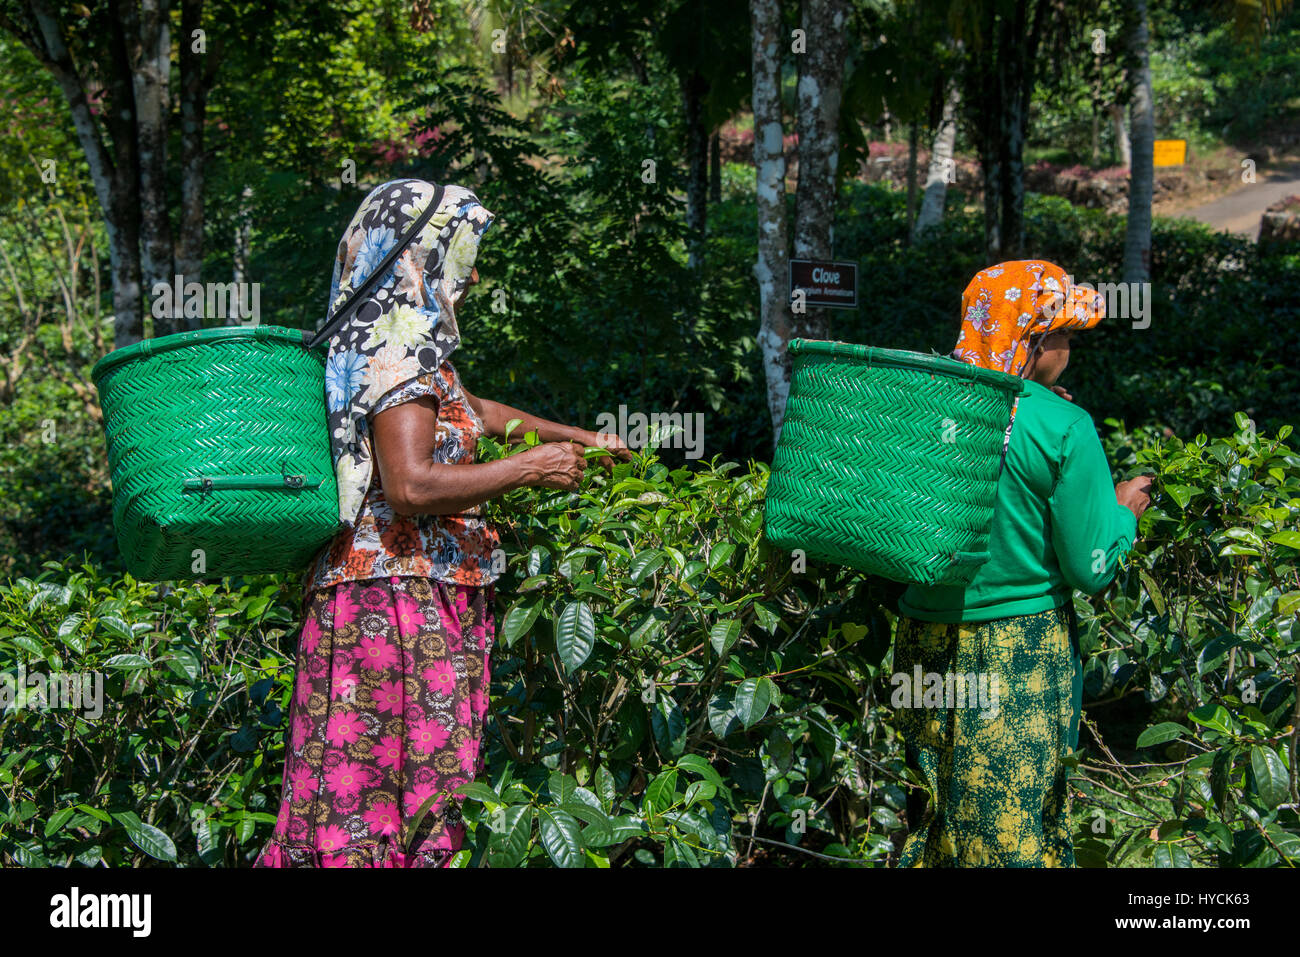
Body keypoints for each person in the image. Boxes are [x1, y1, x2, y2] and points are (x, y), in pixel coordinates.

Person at [255, 178, 630, 867]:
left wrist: (580, 439)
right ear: (416, 256)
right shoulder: (397, 344)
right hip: (391, 610)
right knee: (384, 803)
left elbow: (478, 411)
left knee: (391, 799)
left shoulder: (400, 341)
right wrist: (531, 468)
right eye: (462, 255)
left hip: (403, 598)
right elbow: (410, 484)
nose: (473, 273)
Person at [892, 259, 1152, 867]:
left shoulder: (920, 406)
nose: (1068, 348)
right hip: (1019, 651)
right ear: (1033, 341)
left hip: (922, 639)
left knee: (929, 815)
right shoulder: (1063, 425)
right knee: (1010, 831)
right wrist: (1124, 513)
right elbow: (1091, 568)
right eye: (1061, 334)